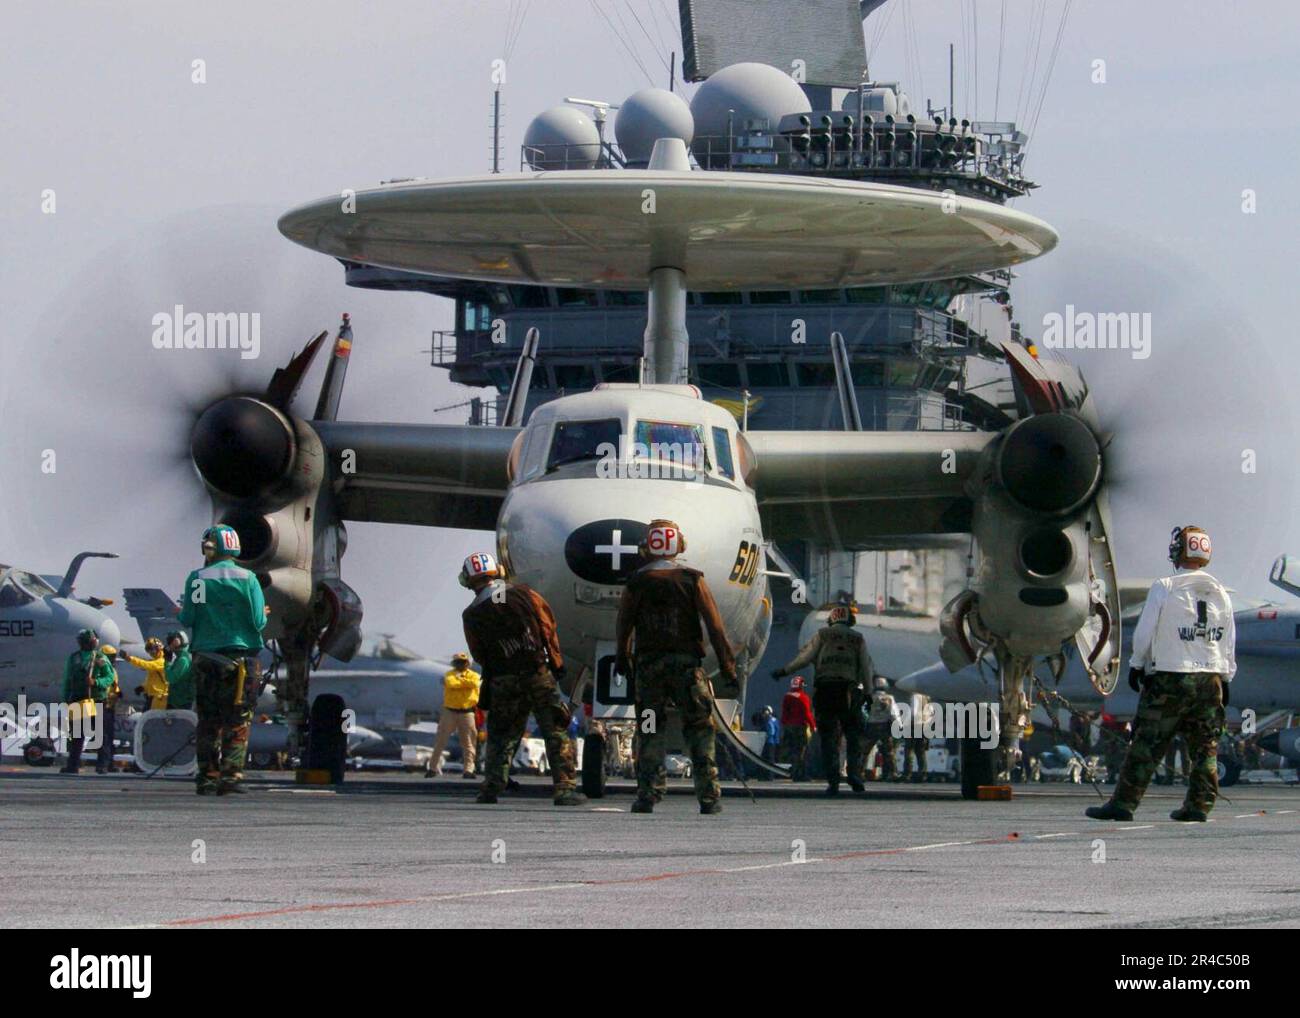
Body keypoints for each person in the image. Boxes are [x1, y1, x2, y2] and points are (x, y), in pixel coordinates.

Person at [1088, 525, 1235, 823]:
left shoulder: (1166, 586)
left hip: (1170, 676)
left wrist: (1136, 664)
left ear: (1178, 550)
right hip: (1211, 679)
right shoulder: (1221, 591)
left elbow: (1145, 631)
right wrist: (1226, 675)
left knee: (1147, 744)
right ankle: (1199, 806)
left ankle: (1123, 805)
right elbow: (1229, 639)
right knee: (1205, 747)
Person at [616, 519, 735, 815]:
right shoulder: (693, 579)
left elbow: (624, 624)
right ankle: (708, 796)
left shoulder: (636, 581)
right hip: (687, 666)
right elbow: (715, 625)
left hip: (649, 667)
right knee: (699, 729)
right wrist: (727, 664)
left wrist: (622, 656)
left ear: (648, 546)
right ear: (679, 545)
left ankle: (647, 794)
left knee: (649, 727)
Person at [459, 552, 583, 806]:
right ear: (498, 572)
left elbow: (479, 653)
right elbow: (547, 628)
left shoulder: (471, 615)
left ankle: (491, 788)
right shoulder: (525, 595)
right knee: (555, 730)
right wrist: (557, 665)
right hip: (537, 674)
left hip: (502, 679)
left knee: (501, 734)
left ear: (468, 580)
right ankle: (564, 790)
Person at [178, 524, 267, 796]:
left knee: (208, 720)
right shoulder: (249, 579)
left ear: (209, 547)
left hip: (206, 658)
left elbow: (188, 618)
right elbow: (258, 621)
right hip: (241, 662)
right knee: (238, 719)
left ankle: (206, 777)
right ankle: (231, 777)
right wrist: (263, 611)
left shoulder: (198, 579)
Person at [772, 603, 873, 795]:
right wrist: (868, 692)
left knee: (828, 738)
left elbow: (803, 658)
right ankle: (854, 775)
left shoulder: (822, 635)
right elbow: (866, 668)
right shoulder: (858, 638)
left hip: (826, 690)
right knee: (852, 737)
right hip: (849, 692)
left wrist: (784, 671)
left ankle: (833, 781)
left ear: (831, 619)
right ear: (850, 620)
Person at [60, 629, 116, 774]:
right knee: (77, 734)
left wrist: (95, 682)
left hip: (95, 699)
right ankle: (73, 765)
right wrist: (66, 698)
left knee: (100, 734)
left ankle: (102, 765)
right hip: (78, 699)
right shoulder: (74, 658)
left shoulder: (100, 658)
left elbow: (109, 678)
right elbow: (67, 679)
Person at [426, 652, 482, 779]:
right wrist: (464, 683)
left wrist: (460, 681)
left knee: (469, 743)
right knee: (440, 741)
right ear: (454, 663)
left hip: (467, 712)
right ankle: (432, 768)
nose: (460, 664)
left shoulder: (475, 676)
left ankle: (468, 770)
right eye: (458, 662)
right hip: (450, 712)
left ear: (468, 663)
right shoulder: (449, 674)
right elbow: (451, 684)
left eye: (463, 662)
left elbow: (474, 684)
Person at [861, 676, 897, 781]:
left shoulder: (870, 697)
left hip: (871, 726)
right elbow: (893, 713)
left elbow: (863, 711)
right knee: (889, 751)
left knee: (865, 751)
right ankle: (892, 773)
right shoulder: (889, 698)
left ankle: (860, 772)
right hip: (884, 727)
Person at [779, 675, 815, 781]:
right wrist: (813, 725)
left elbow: (784, 713)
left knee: (793, 751)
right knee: (802, 751)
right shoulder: (804, 698)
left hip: (789, 727)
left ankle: (794, 772)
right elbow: (807, 713)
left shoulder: (787, 696)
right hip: (800, 727)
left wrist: (784, 725)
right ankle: (801, 774)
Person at [122, 638, 169, 711]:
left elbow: (146, 665)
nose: (151, 653)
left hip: (159, 698)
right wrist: (143, 687)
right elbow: (153, 681)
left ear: (158, 648)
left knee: (153, 719)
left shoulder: (162, 661)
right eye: (149, 650)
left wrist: (130, 658)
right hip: (153, 697)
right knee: (147, 718)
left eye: (152, 649)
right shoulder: (156, 662)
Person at [902, 693, 932, 783]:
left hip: (914, 725)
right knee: (921, 752)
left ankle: (907, 774)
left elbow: (913, 712)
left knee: (909, 750)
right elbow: (931, 713)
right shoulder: (927, 697)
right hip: (924, 726)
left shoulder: (915, 696)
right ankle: (922, 774)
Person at [165, 630, 195, 711]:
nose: (169, 646)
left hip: (180, 702)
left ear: (176, 642)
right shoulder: (184, 656)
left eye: (170, 642)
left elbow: (171, 678)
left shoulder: (183, 660)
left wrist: (167, 662)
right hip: (180, 700)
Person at [758, 705, 780, 779]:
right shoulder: (775, 720)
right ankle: (769, 775)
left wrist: (766, 736)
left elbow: (771, 731)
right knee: (770, 759)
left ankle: (769, 775)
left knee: (767, 759)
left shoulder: (769, 721)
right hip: (773, 742)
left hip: (768, 742)